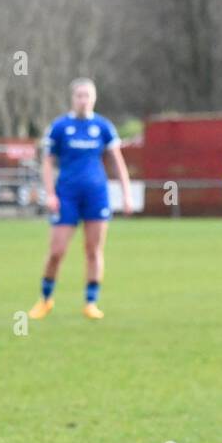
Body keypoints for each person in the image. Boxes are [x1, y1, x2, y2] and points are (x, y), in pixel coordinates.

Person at [28, 77, 133, 321]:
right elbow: (47, 162)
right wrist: (50, 194)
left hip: (96, 196)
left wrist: (126, 194)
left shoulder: (104, 127)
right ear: (72, 98)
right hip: (66, 196)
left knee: (94, 250)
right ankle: (45, 299)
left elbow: (117, 162)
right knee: (56, 251)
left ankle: (91, 302)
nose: (83, 100)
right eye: (79, 95)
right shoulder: (60, 127)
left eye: (88, 95)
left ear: (94, 98)